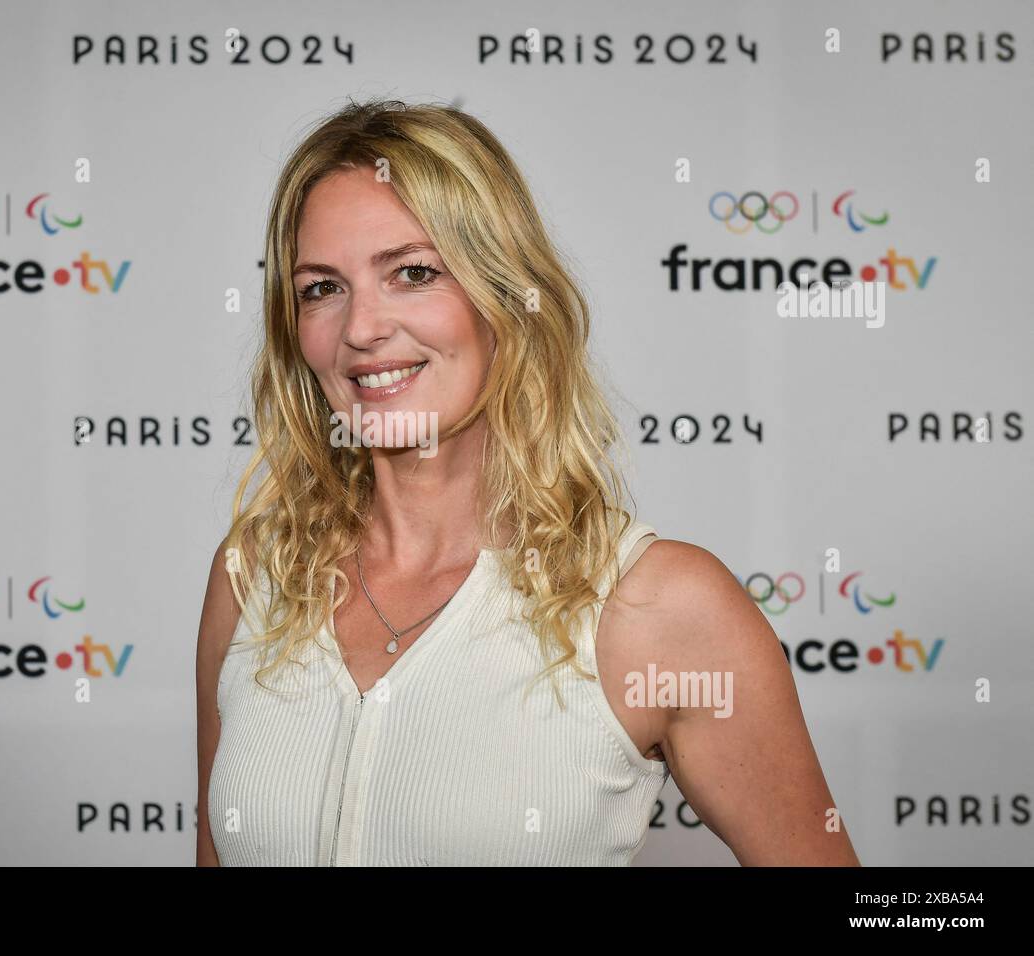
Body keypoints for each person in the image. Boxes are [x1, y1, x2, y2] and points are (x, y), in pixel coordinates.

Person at [195, 98, 859, 867]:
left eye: (413, 273)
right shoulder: (257, 575)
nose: (361, 328)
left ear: (504, 298)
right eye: (321, 288)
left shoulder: (657, 607)